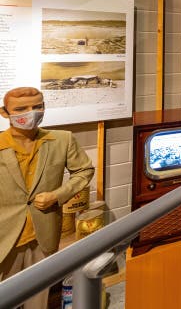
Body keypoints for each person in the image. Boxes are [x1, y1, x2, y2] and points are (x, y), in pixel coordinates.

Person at [0, 87, 94, 309]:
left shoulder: (62, 140)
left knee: (38, 300)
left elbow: (84, 170)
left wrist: (57, 195)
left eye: (38, 107)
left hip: (42, 235)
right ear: (5, 113)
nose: (31, 113)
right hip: (4, 239)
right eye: (21, 109)